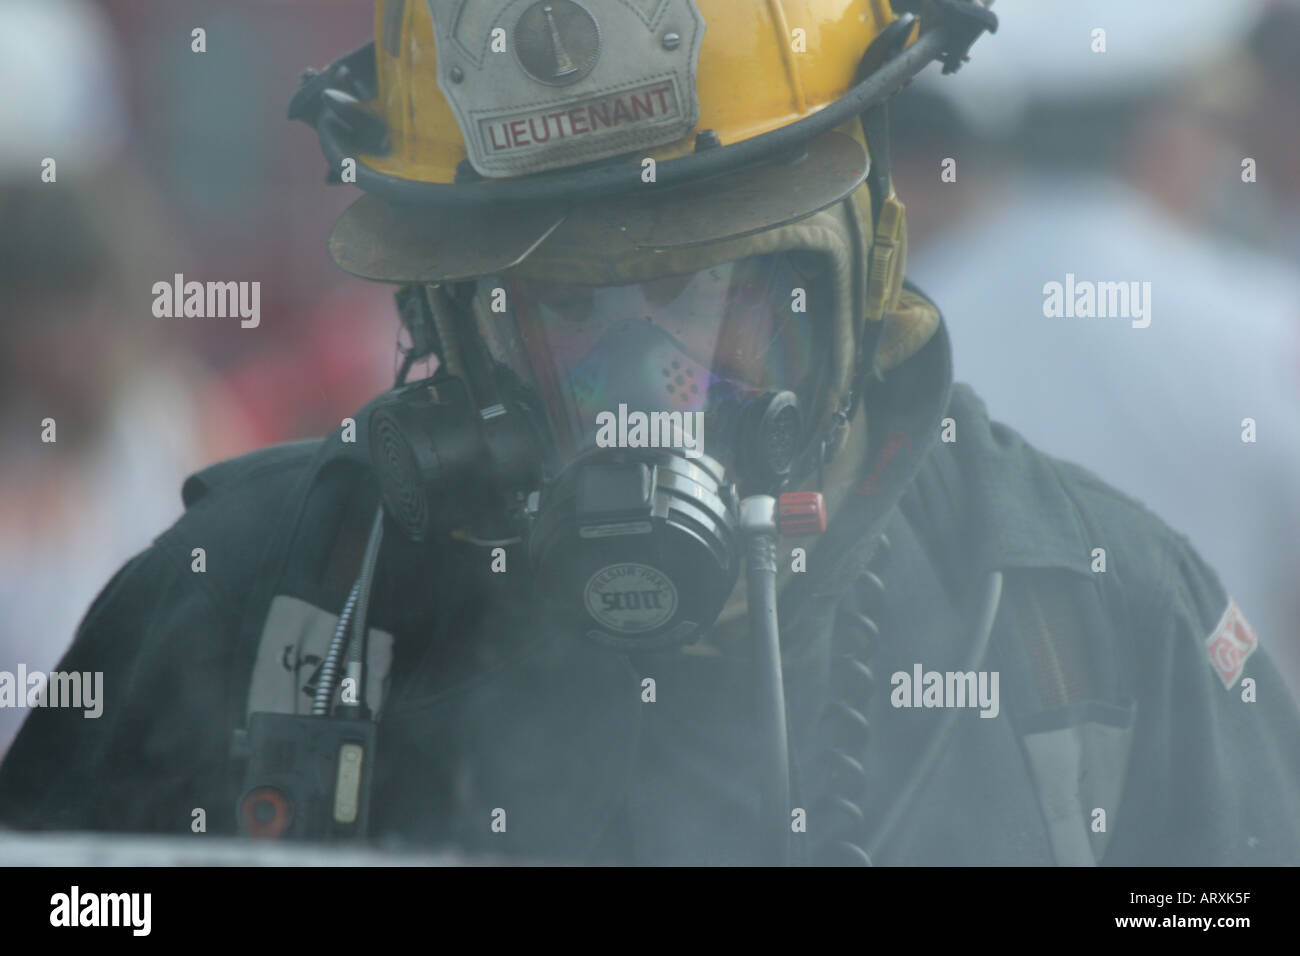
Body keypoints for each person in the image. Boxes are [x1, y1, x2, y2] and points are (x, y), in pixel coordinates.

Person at [1, 0, 1297, 866]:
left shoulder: (1109, 627)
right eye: (560, 305)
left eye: (700, 287)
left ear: (854, 260)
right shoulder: (248, 604)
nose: (640, 379)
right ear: (451, 323)